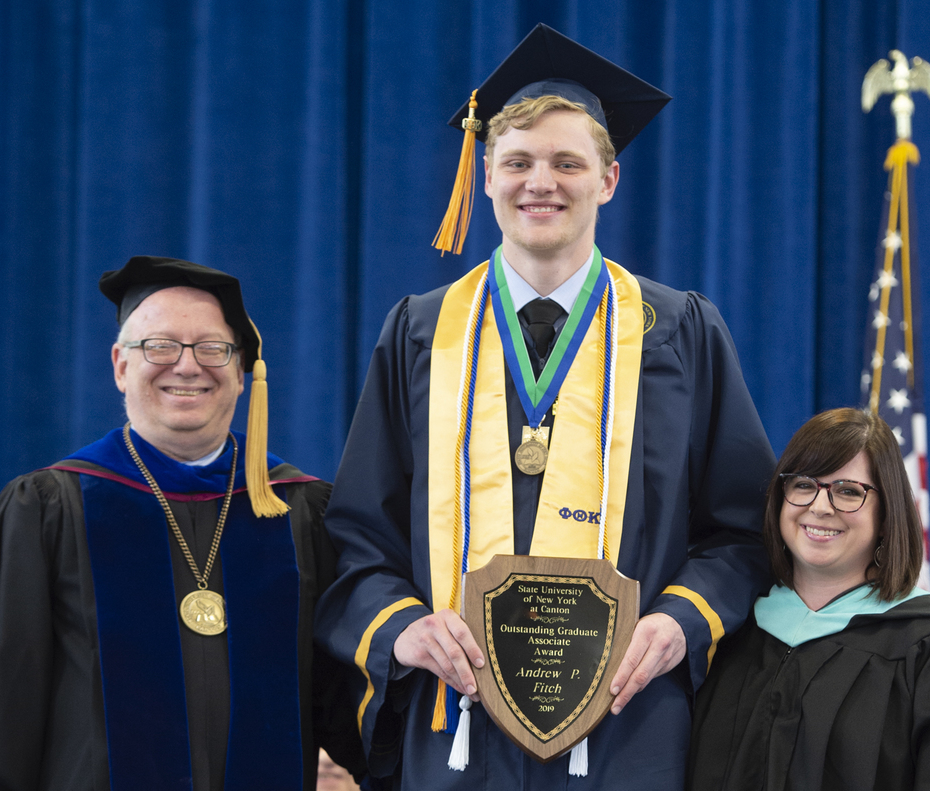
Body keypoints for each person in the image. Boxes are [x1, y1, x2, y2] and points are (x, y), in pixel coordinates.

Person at [315, 25, 776, 789]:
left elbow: (744, 531)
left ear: (609, 180)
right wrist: (404, 630)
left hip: (632, 729)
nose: (542, 182)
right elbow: (362, 537)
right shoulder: (422, 333)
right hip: (458, 730)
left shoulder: (680, 334)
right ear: (485, 174)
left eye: (568, 162)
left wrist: (680, 620)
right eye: (518, 162)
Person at [0, 256, 363, 791]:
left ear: (240, 373)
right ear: (120, 365)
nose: (187, 366)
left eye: (212, 349)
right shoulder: (49, 509)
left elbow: (354, 701)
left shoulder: (296, 512)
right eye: (159, 346)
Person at [687, 407, 930, 791]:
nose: (820, 507)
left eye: (848, 491)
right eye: (803, 484)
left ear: (886, 516)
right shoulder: (730, 631)